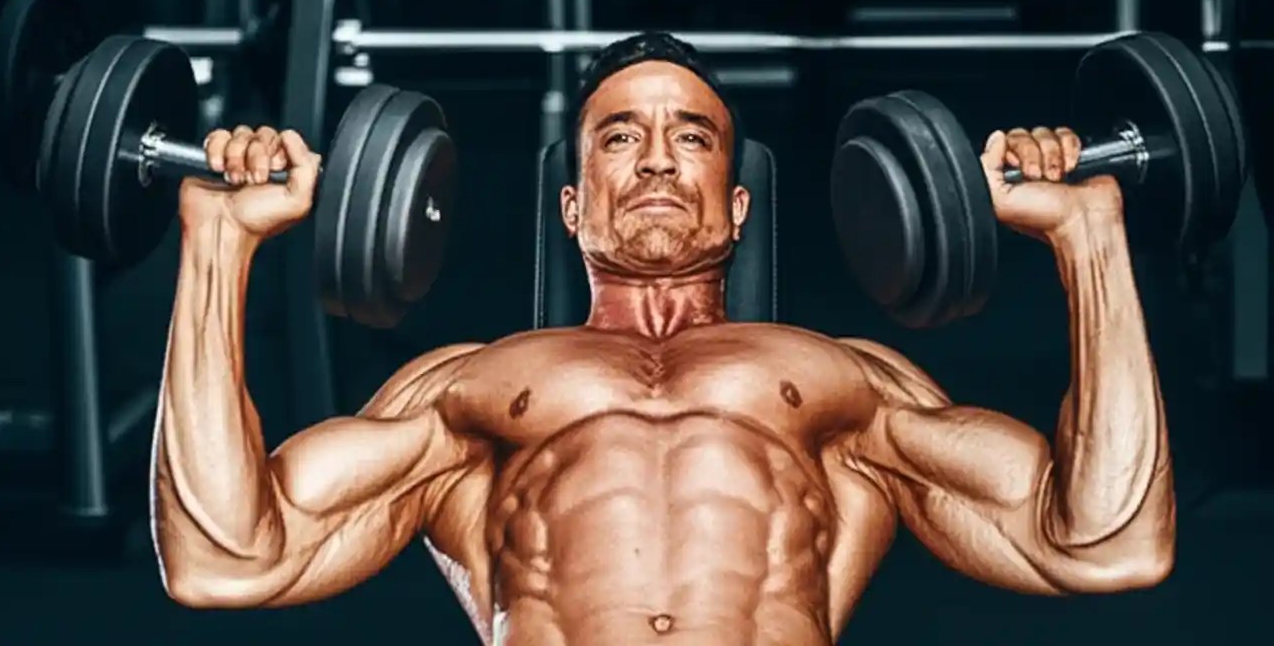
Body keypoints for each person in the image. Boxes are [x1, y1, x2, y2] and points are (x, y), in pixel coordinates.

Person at [153, 33, 1175, 645]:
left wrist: (1089, 238)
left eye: (689, 136)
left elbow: (1105, 543)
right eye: (618, 136)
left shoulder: (844, 386)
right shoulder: (462, 390)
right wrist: (216, 245)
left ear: (736, 209)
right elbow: (227, 561)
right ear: (570, 204)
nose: (653, 161)